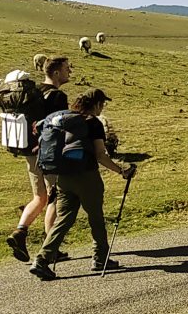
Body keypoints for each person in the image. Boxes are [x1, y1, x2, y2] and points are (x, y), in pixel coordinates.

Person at [29, 88, 134, 280]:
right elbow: (101, 155)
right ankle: (100, 258)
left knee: (64, 219)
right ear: (95, 104)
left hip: (63, 178)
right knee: (95, 216)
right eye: (102, 104)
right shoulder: (92, 123)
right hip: (86, 176)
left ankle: (42, 259)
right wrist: (121, 171)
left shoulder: (61, 119)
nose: (103, 108)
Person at [6, 55, 73, 262]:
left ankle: (20, 231)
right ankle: (50, 249)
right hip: (48, 154)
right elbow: (59, 128)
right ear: (55, 73)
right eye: (66, 69)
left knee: (39, 197)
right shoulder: (57, 96)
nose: (69, 72)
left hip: (29, 152)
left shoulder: (34, 93)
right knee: (55, 197)